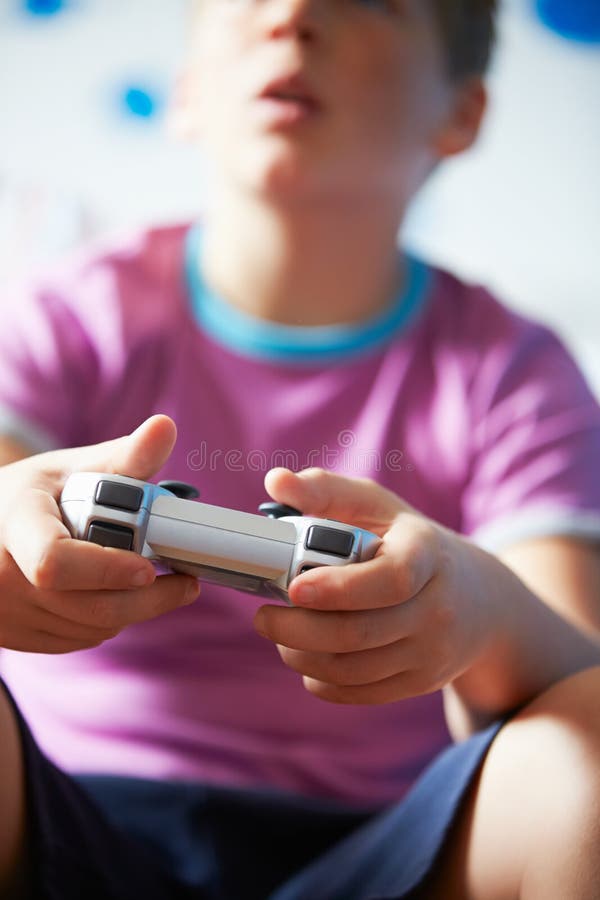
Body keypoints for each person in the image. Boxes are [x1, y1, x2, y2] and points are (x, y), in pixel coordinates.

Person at [1, 1, 600, 898]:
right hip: (64, 819)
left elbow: (573, 658)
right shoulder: (71, 315)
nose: (291, 18)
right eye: (250, 0)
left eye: (369, 1)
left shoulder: (509, 371)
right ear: (190, 89)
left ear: (462, 113)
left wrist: (480, 609)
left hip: (397, 850)